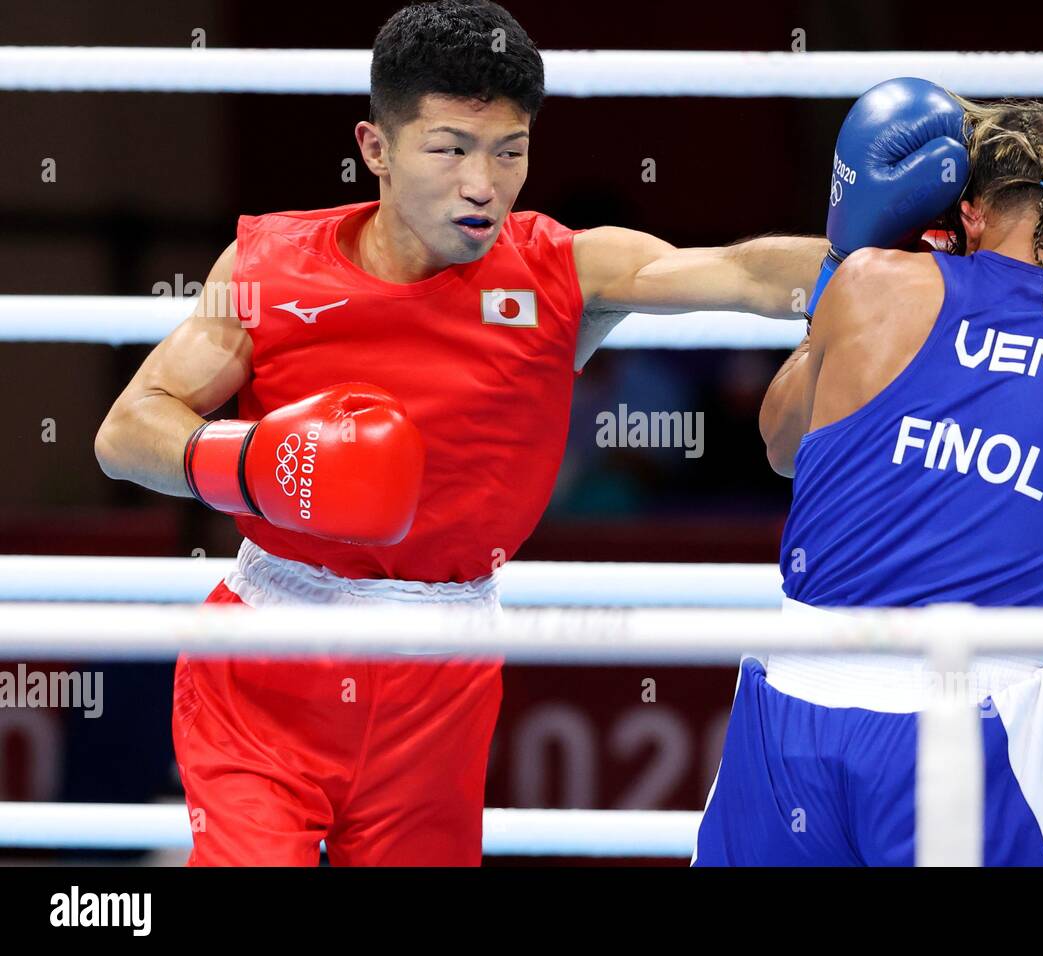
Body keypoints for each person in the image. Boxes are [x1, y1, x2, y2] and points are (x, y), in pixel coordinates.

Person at [94, 0, 827, 865]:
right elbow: (126, 429)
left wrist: (896, 264)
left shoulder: (561, 271)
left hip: (442, 670)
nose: (483, 183)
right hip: (266, 654)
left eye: (509, 152)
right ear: (375, 149)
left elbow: (740, 275)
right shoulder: (268, 264)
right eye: (448, 149)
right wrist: (258, 464)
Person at [693, 84, 1043, 866]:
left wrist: (842, 267)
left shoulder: (871, 282)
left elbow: (782, 444)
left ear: (967, 213)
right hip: (970, 726)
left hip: (788, 708)